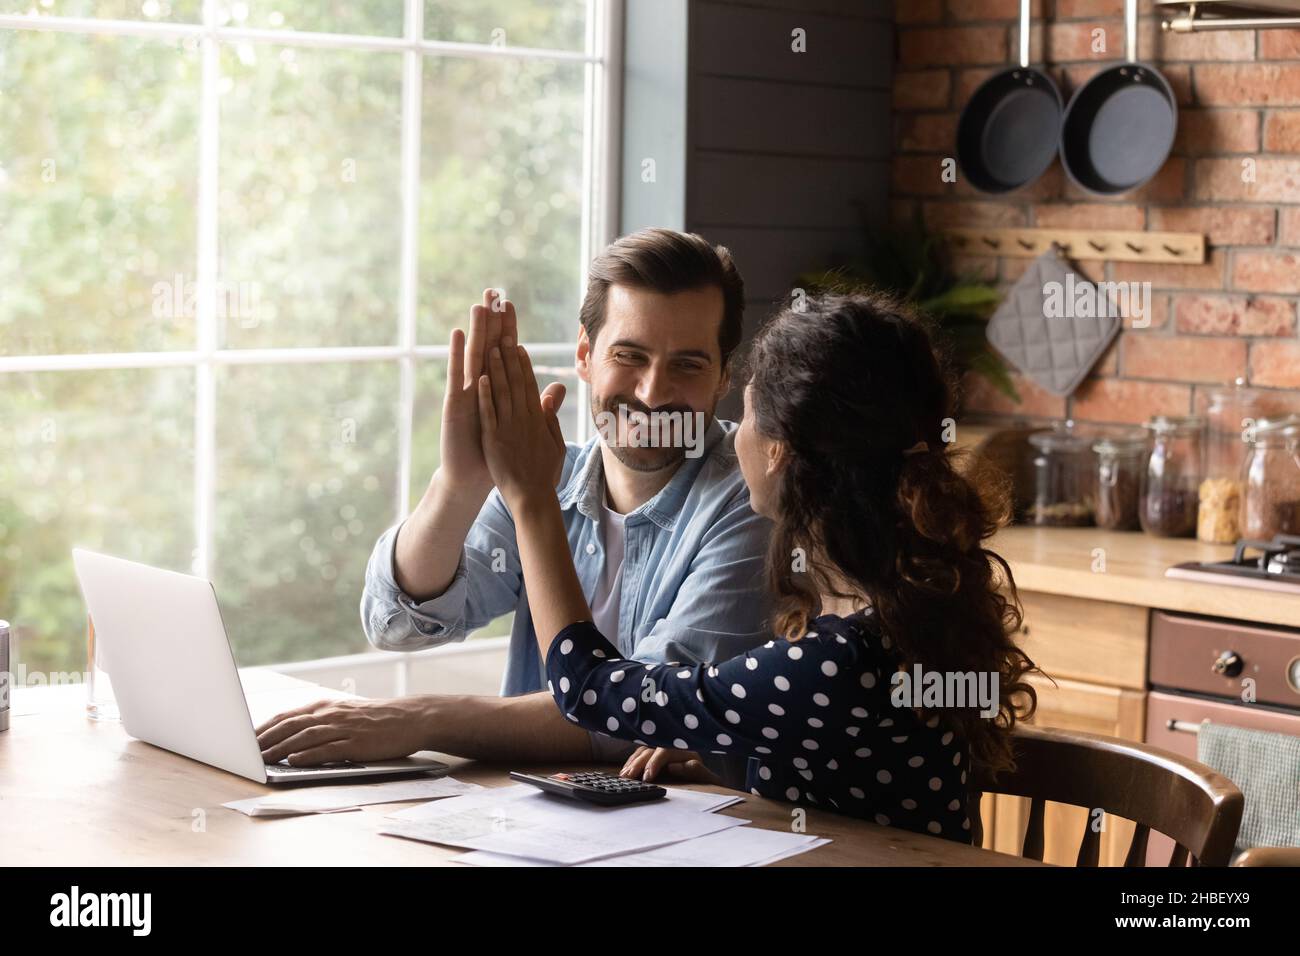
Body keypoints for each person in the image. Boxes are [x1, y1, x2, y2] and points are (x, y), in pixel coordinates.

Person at [474, 290, 1042, 843]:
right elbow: (851, 785)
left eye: (744, 413)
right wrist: (733, 772)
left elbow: (588, 690)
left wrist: (532, 498)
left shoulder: (841, 660)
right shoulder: (891, 616)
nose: (734, 432)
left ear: (779, 451)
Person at [255, 229, 772, 768]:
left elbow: (641, 718)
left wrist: (420, 720)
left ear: (722, 377)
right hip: (529, 815)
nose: (651, 393)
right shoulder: (549, 473)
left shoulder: (752, 502)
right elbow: (396, 623)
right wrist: (460, 482)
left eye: (687, 364)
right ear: (584, 355)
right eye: (629, 355)